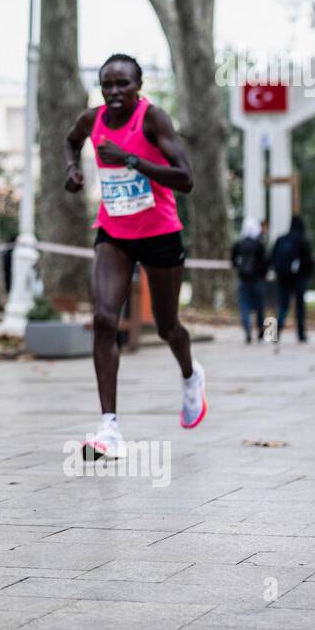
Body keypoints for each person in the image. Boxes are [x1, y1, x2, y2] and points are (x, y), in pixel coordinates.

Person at [62, 54, 208, 461]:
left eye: (122, 84)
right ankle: (109, 427)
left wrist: (131, 160)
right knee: (106, 319)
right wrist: (72, 171)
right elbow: (70, 141)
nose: (113, 92)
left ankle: (190, 374)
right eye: (106, 84)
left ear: (138, 86)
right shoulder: (92, 120)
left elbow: (186, 179)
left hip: (160, 233)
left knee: (166, 327)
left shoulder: (153, 119)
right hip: (114, 233)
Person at [271, 215, 314, 342]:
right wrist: (307, 275)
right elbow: (308, 261)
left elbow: (272, 257)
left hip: (283, 278)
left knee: (283, 305)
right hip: (299, 279)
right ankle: (301, 334)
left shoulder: (281, 239)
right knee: (300, 307)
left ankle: (274, 333)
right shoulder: (302, 240)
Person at [231, 216, 268, 343]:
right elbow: (265, 263)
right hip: (257, 280)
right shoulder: (259, 245)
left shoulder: (238, 245)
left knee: (244, 306)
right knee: (260, 306)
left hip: (243, 279)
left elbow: (233, 262)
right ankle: (260, 330)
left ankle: (247, 330)